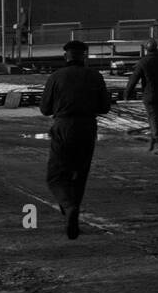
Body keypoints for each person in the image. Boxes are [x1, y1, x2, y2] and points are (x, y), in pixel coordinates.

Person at [39, 39, 112, 239]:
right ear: (84, 56)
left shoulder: (56, 77)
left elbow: (45, 109)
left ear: (66, 56)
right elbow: (105, 107)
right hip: (87, 127)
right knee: (80, 173)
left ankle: (68, 206)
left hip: (63, 126)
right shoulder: (95, 76)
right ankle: (73, 215)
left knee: (55, 175)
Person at [125, 38, 158, 154]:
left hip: (149, 95)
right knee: (157, 119)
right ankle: (153, 143)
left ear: (146, 49)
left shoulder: (143, 62)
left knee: (153, 120)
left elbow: (133, 79)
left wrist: (127, 94)